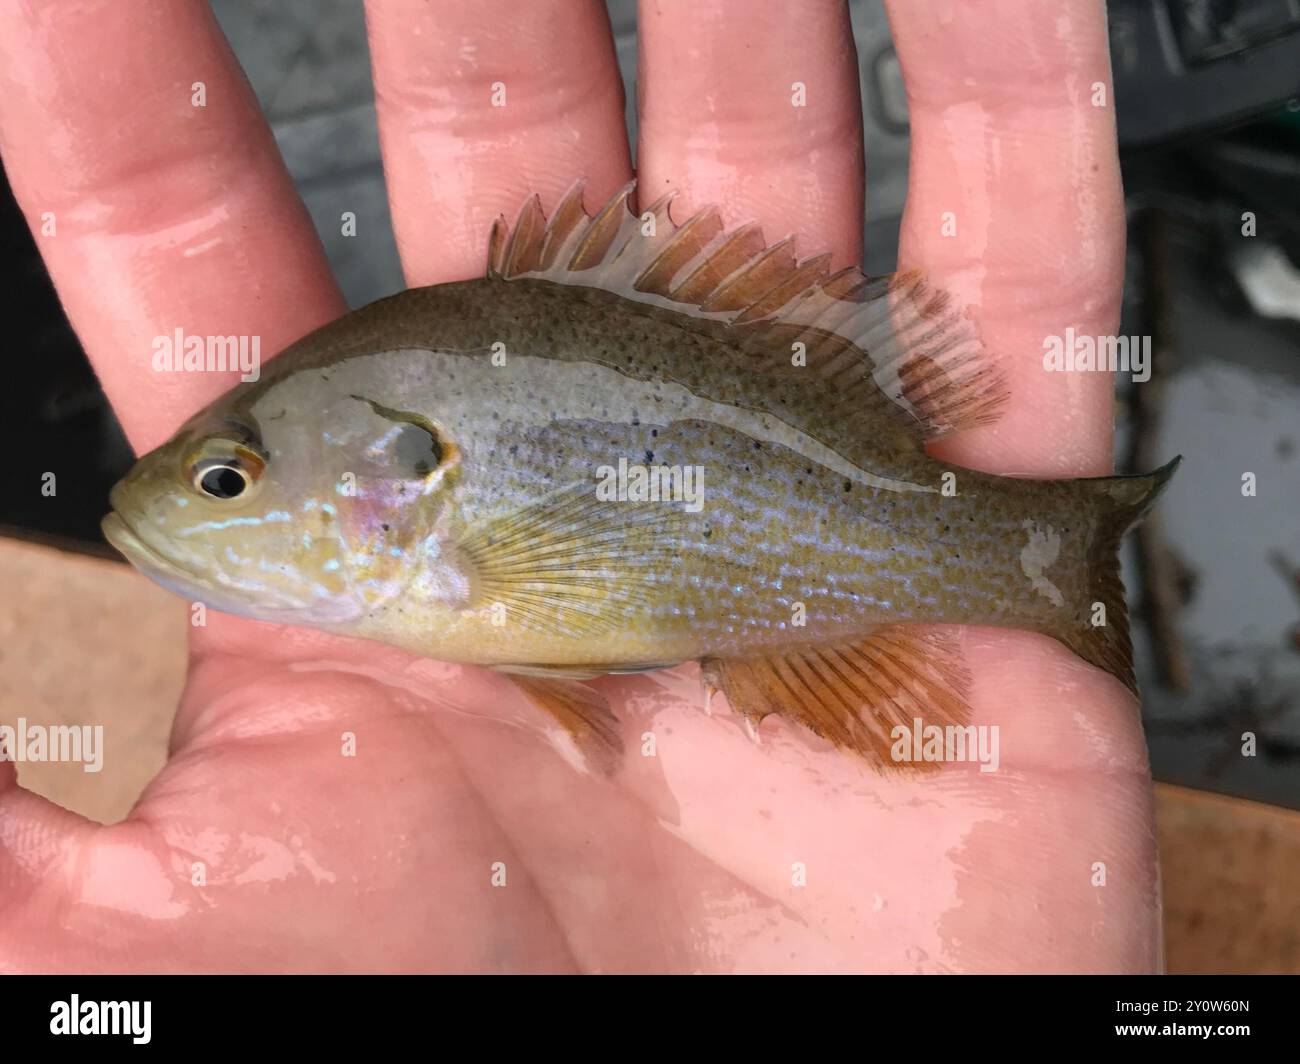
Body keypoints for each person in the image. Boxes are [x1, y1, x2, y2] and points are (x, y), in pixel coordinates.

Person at [0, 0, 1154, 973]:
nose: (187, 503)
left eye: (224, 477)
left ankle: (1063, 558)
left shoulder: (449, 561)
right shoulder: (441, 553)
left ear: (400, 476)